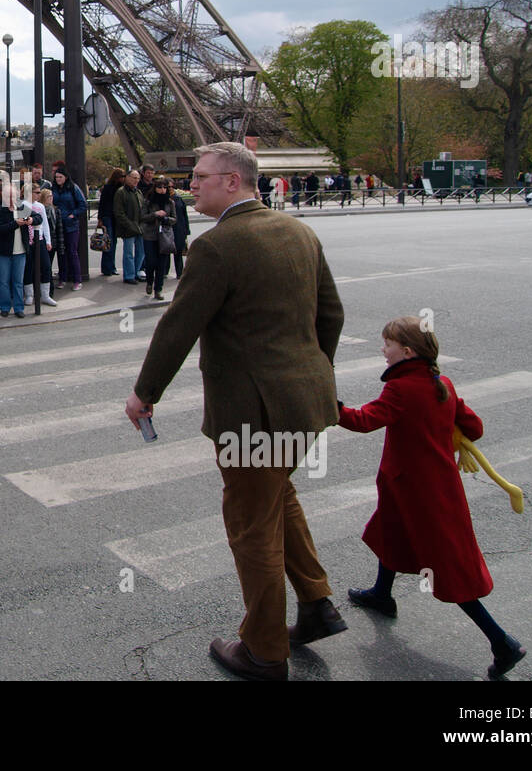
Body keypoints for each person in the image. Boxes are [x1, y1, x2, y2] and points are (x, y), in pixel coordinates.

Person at [125, 141, 346, 681]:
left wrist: (144, 392)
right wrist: (307, 377)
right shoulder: (300, 231)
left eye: (200, 177)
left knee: (251, 527)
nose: (190, 185)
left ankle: (265, 650)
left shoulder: (217, 247)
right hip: (303, 406)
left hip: (254, 414)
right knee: (278, 498)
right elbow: (332, 315)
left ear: (233, 181)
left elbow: (178, 326)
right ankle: (316, 604)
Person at [337, 316, 525, 679]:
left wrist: (331, 407)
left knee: (448, 570)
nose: (382, 349)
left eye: (387, 344)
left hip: (416, 494)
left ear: (406, 352)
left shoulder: (401, 389)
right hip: (428, 489)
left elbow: (364, 420)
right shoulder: (443, 384)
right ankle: (381, 594)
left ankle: (502, 642)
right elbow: (475, 427)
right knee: (390, 534)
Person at [0, 181, 34, 318]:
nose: (10, 198)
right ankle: (4, 307)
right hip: (4, 252)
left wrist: (31, 219)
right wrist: (15, 223)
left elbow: (38, 217)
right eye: (7, 195)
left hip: (20, 252)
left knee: (18, 282)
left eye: (12, 195)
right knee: (4, 281)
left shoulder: (22, 208)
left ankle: (18, 308)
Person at [139, 175, 176, 300]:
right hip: (150, 235)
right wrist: (155, 214)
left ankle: (158, 289)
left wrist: (166, 218)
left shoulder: (170, 202)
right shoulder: (148, 202)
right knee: (151, 262)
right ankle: (149, 282)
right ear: (155, 188)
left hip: (164, 235)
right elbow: (142, 217)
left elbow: (174, 219)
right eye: (160, 187)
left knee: (162, 264)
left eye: (165, 187)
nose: (162, 190)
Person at [51, 166, 87, 290]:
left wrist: (73, 214)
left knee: (72, 252)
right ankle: (62, 278)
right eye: (56, 177)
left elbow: (83, 204)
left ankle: (77, 280)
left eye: (60, 177)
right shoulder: (53, 188)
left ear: (66, 177)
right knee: (61, 252)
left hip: (71, 224)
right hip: (58, 224)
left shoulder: (73, 188)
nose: (58, 179)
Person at [113, 170, 144, 285]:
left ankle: (136, 272)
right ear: (127, 178)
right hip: (128, 228)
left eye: (138, 178)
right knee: (129, 253)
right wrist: (130, 225)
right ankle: (129, 275)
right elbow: (119, 212)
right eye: (133, 177)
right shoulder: (121, 192)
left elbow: (143, 209)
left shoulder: (138, 192)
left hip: (140, 227)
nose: (136, 180)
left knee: (141, 252)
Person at [97, 167, 125, 276]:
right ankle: (108, 267)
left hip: (111, 216)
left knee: (111, 242)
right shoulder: (110, 188)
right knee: (109, 242)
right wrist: (100, 218)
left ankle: (109, 267)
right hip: (108, 216)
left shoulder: (115, 188)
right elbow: (102, 204)